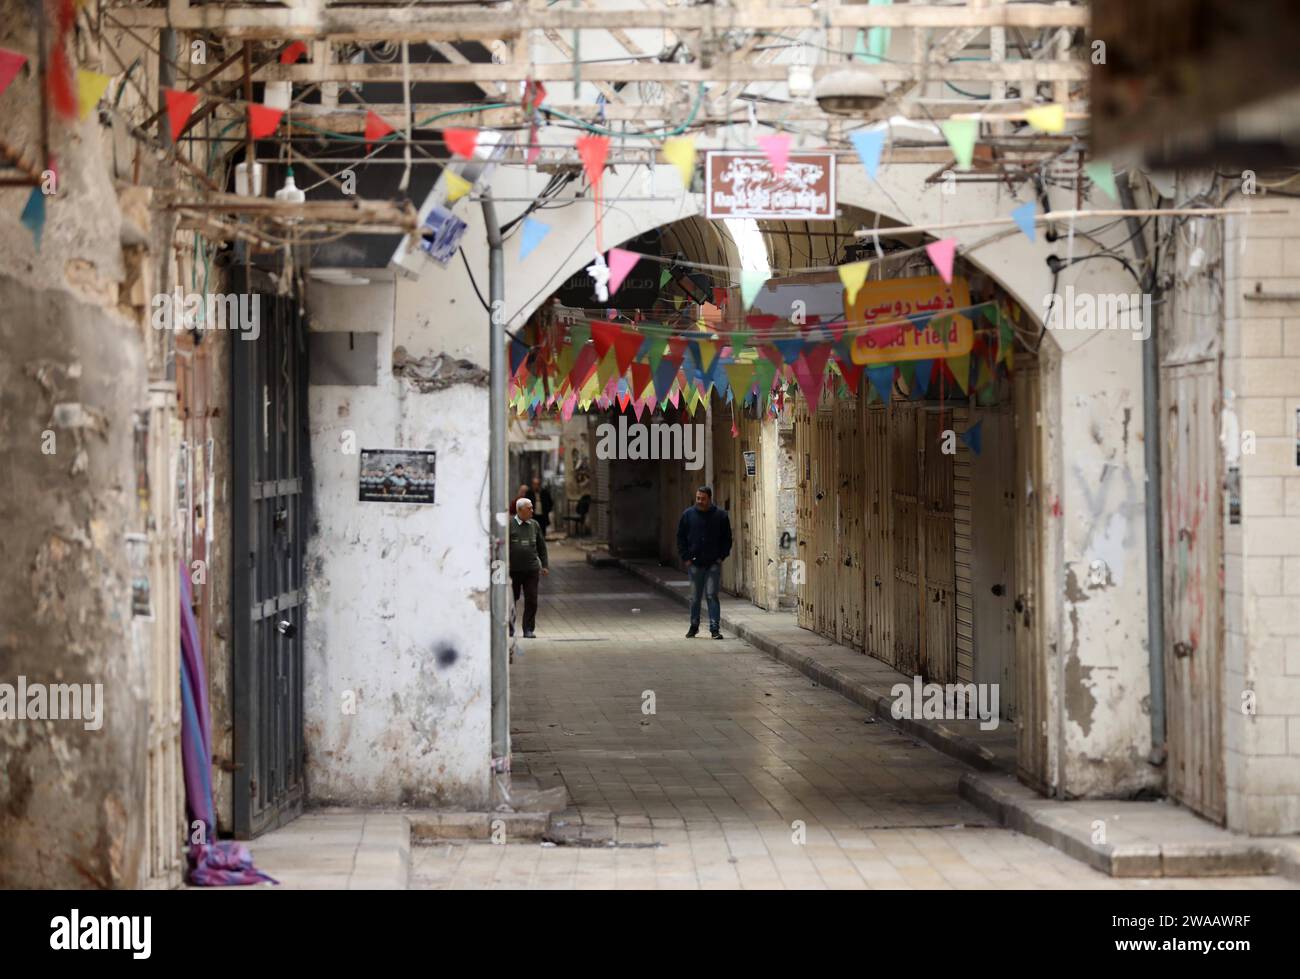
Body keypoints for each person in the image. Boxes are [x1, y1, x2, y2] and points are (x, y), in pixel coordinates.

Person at [676, 485, 732, 639]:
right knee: (695, 597)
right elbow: (680, 537)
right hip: (694, 563)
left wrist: (721, 556)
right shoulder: (688, 515)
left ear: (709, 498)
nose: (700, 501)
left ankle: (714, 628)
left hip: (713, 562)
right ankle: (694, 626)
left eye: (703, 499)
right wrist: (686, 557)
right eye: (698, 498)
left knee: (711, 595)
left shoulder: (720, 516)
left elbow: (727, 539)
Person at [509, 497, 549, 638]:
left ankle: (528, 629)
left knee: (532, 599)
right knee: (511, 599)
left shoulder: (534, 525)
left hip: (531, 569)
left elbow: (541, 546)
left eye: (532, 508)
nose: (532, 510)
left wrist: (544, 564)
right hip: (513, 570)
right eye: (529, 508)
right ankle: (510, 628)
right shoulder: (510, 525)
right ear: (520, 510)